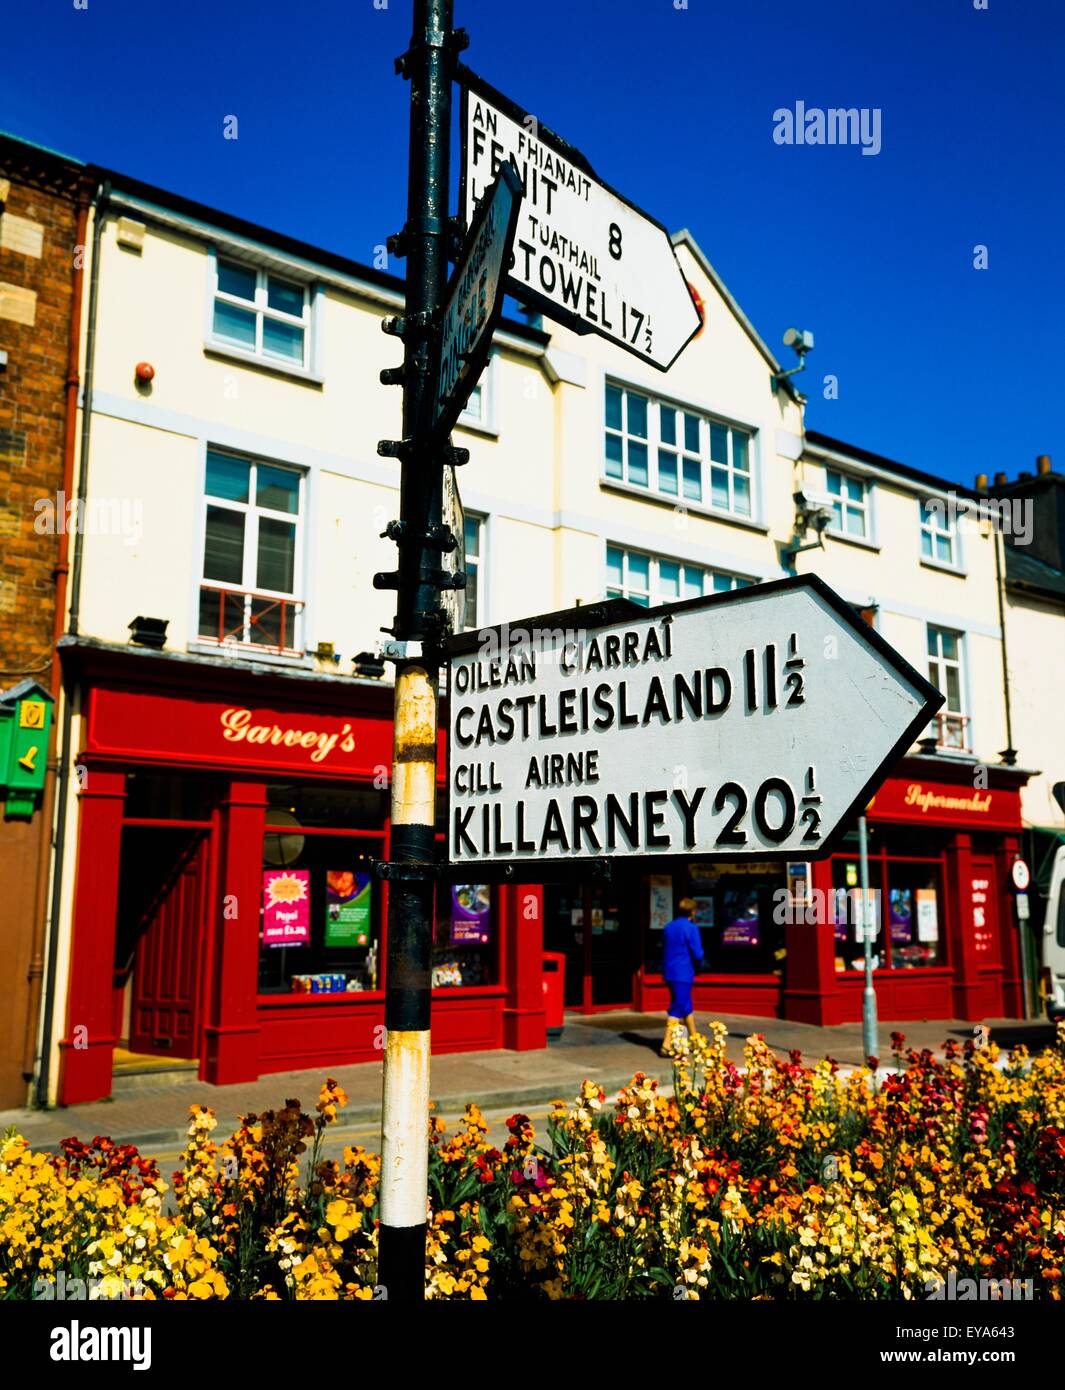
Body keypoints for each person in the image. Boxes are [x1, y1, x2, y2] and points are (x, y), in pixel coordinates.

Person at [660, 898, 704, 1055]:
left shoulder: (669, 927)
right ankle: (666, 1045)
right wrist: (700, 966)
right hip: (683, 973)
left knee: (686, 1005)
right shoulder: (691, 928)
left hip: (669, 972)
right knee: (677, 1008)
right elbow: (697, 953)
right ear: (692, 912)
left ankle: (695, 1041)